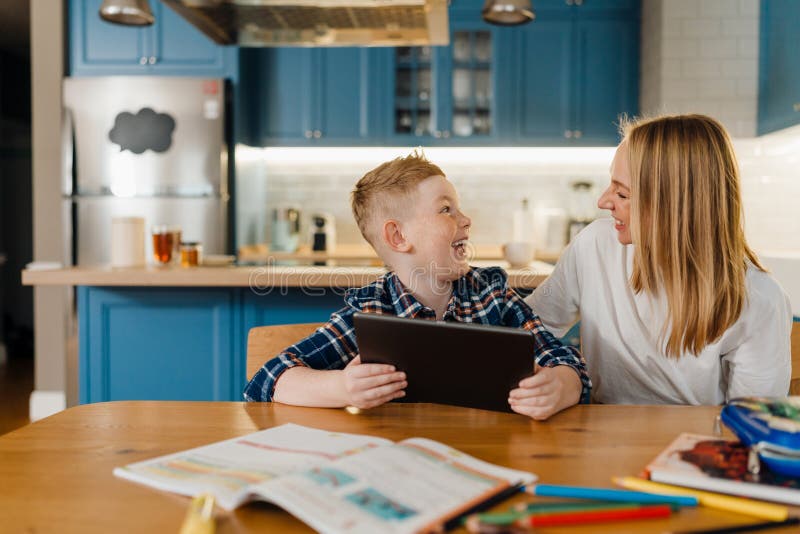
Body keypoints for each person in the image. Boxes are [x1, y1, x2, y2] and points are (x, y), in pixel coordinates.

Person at [244, 152, 591, 420]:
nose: (466, 219)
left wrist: (559, 386)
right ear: (398, 236)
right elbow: (266, 381)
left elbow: (564, 360)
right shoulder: (371, 310)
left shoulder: (492, 295)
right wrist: (341, 387)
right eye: (446, 210)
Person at [526, 114, 792, 404]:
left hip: (692, 444)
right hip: (598, 438)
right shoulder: (593, 246)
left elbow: (752, 422)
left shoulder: (759, 299)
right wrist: (565, 375)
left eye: (622, 194)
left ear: (674, 207)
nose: (603, 201)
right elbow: (528, 330)